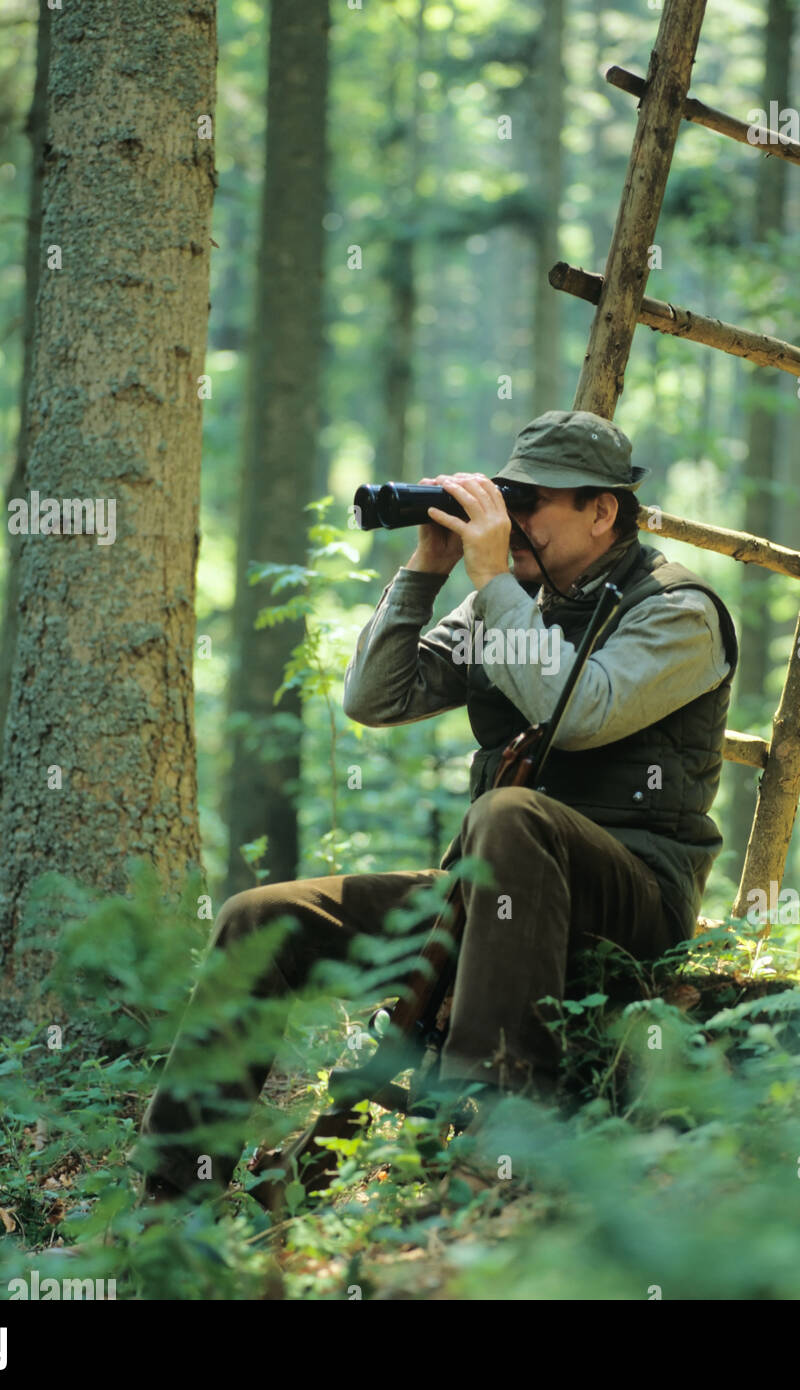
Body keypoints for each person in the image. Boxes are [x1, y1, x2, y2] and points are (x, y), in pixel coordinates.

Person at [133, 409, 737, 1204]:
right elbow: (375, 698)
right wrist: (429, 565)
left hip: (632, 896)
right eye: (508, 497)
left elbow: (580, 712)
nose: (514, 521)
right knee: (259, 919)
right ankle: (175, 1199)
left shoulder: (677, 610)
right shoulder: (511, 593)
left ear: (603, 509)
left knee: (508, 815)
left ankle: (494, 1133)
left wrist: (492, 584)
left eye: (535, 503)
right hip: (496, 887)